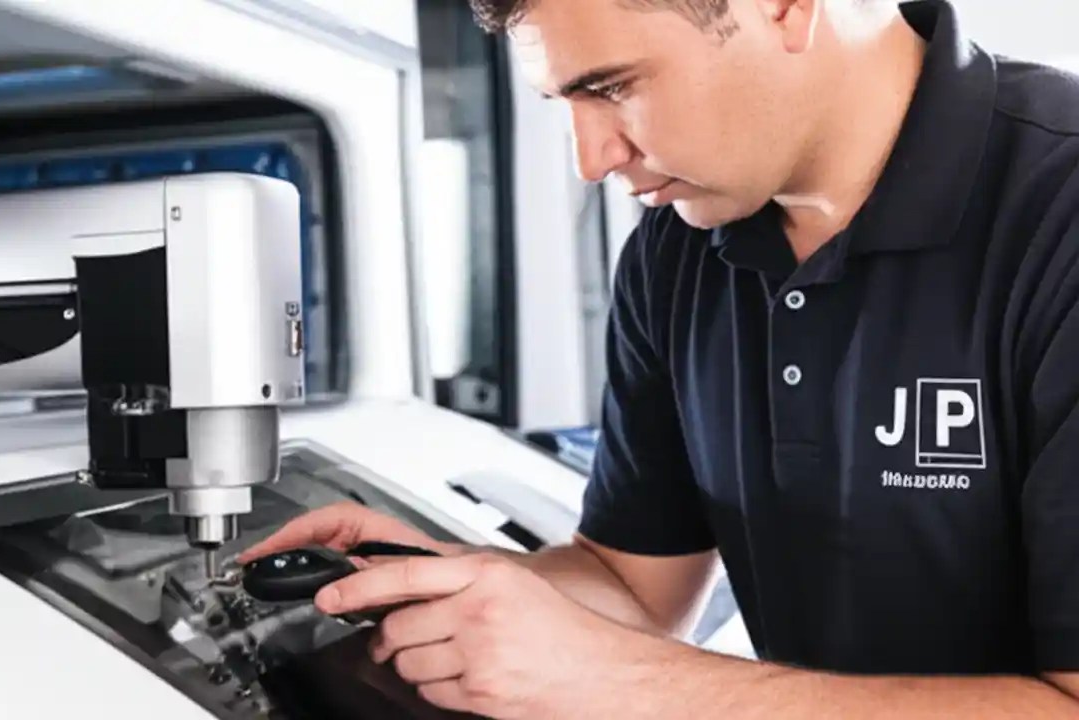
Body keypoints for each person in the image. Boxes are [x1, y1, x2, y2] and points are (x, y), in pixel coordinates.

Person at [240, 0, 1079, 716]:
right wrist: (453, 589)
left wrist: (621, 682)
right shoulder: (677, 251)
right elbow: (635, 586)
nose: (591, 157)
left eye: (612, 87)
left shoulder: (1059, 215)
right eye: (563, 102)